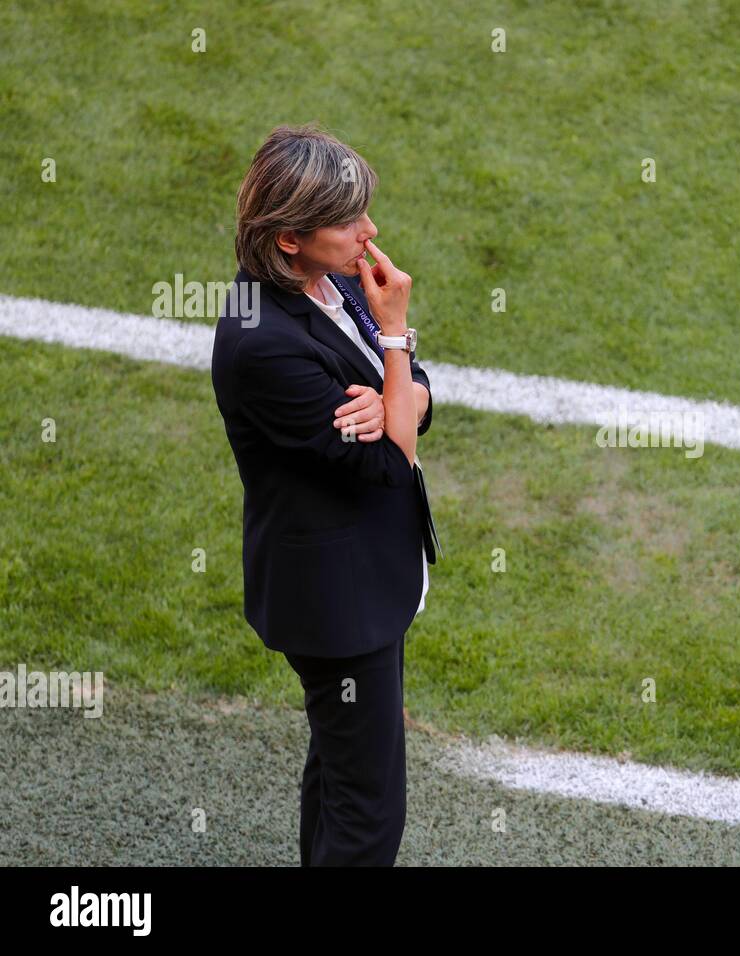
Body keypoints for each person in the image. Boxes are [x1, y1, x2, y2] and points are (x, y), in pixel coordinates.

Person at [210, 124, 437, 865]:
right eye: (347, 221)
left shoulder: (334, 279)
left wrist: (396, 393)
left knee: (341, 776)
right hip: (338, 604)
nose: (369, 232)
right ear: (288, 241)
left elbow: (420, 399)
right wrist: (396, 346)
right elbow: (390, 465)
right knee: (370, 815)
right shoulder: (262, 344)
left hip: (365, 575)